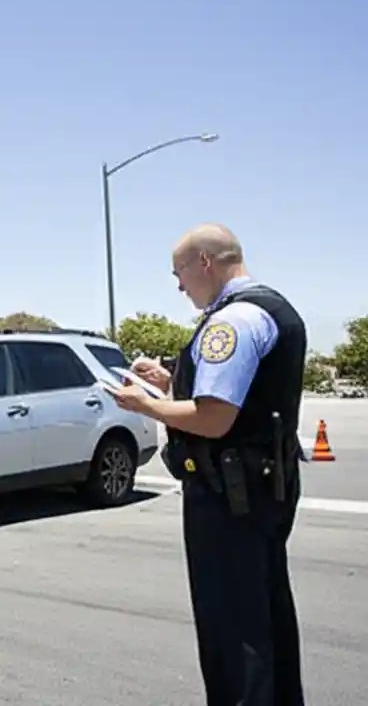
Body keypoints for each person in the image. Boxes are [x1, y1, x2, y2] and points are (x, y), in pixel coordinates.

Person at [109, 223, 306, 706]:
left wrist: (144, 405)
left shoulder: (231, 322)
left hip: (229, 497)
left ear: (204, 263)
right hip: (260, 488)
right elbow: (243, 400)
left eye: (179, 273)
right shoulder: (268, 308)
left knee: (232, 629)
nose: (178, 286)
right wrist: (172, 380)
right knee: (266, 616)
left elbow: (215, 418)